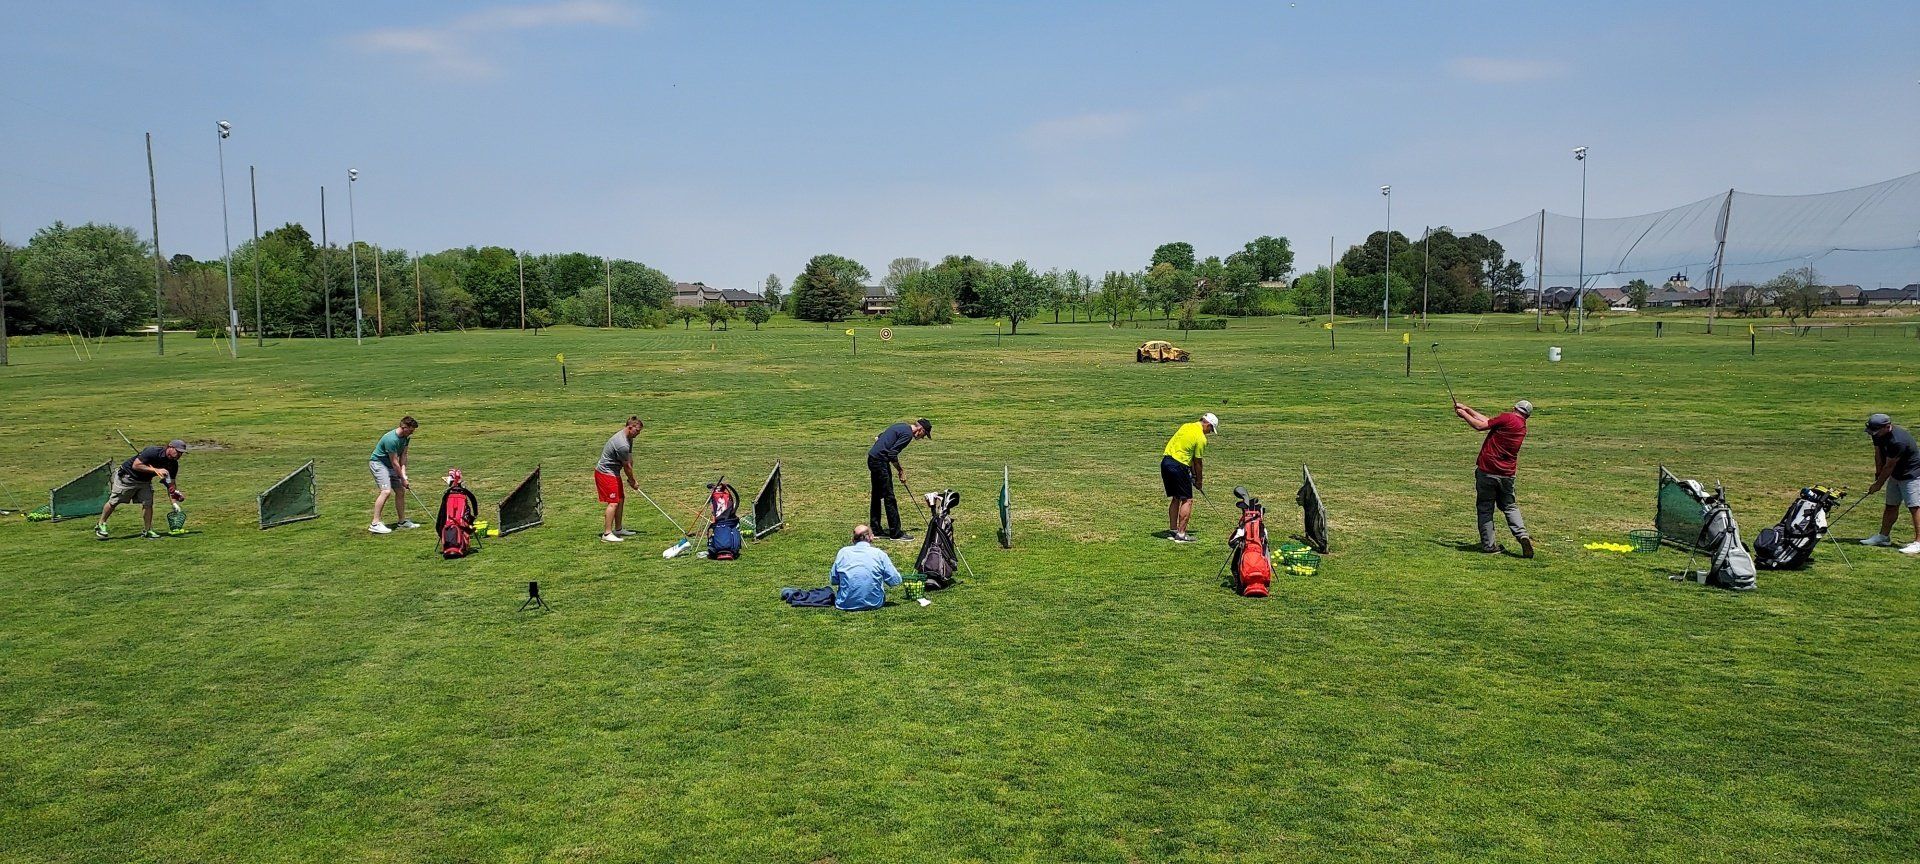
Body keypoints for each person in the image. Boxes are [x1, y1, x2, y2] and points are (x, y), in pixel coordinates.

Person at [1454, 399, 1535, 558]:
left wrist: (1463, 415)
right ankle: (1522, 535)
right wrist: (1468, 409)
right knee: (1510, 506)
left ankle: (1489, 546)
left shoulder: (1507, 418)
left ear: (1514, 408)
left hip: (1487, 471)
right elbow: (1488, 421)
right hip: (1507, 474)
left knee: (1485, 507)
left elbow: (1480, 426)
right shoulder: (1521, 426)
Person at [780, 524, 904, 611]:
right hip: (874, 603)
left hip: (845, 603)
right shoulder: (879, 554)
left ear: (852, 539)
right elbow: (895, 581)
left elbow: (834, 580)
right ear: (870, 537)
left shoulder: (843, 552)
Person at [96, 439, 186, 540]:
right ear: (170, 447)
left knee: (148, 503)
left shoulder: (173, 464)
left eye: (181, 453)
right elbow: (136, 465)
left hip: (144, 481)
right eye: (177, 451)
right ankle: (101, 524)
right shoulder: (152, 451)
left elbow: (171, 485)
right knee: (114, 501)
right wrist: (155, 470)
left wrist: (174, 504)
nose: (179, 455)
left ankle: (147, 530)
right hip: (127, 477)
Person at [1859, 413, 1920, 554]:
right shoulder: (1877, 433)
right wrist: (1877, 473)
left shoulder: (1898, 441)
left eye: (1875, 431)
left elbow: (1889, 465)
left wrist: (1878, 485)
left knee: (1914, 507)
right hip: (1895, 474)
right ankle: (1883, 537)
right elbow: (1878, 453)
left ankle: (1918, 542)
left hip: (1912, 475)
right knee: (1891, 505)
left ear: (1887, 427)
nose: (1872, 434)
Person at [867, 417, 931, 541]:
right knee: (889, 497)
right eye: (924, 434)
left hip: (872, 458)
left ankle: (876, 530)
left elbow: (879, 436)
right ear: (920, 429)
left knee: (876, 495)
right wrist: (901, 471)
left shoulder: (901, 426)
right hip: (880, 462)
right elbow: (892, 454)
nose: (923, 437)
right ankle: (895, 533)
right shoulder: (907, 435)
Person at [1160, 413, 1216, 543]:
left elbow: (1186, 451)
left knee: (1176, 497)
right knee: (1187, 500)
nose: (1210, 432)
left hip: (1166, 462)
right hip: (1178, 466)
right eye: (1211, 429)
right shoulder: (1201, 438)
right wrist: (1199, 481)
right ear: (1207, 424)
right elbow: (1197, 462)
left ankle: (1173, 530)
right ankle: (1181, 534)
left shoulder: (1186, 426)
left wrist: (1193, 475)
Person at [596, 416, 644, 543]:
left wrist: (631, 479)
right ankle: (607, 533)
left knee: (620, 499)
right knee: (613, 502)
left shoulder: (629, 437)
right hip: (605, 473)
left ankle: (618, 529)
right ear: (630, 427)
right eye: (637, 431)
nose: (638, 433)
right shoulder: (621, 443)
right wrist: (633, 481)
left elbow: (629, 459)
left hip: (613, 472)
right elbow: (626, 466)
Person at [369, 416, 419, 535]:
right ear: (404, 427)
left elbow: (404, 456)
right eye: (411, 430)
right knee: (386, 491)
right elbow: (394, 462)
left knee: (400, 491)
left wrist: (404, 475)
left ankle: (402, 521)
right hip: (379, 464)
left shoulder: (406, 437)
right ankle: (375, 523)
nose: (412, 432)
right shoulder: (391, 439)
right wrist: (402, 478)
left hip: (391, 465)